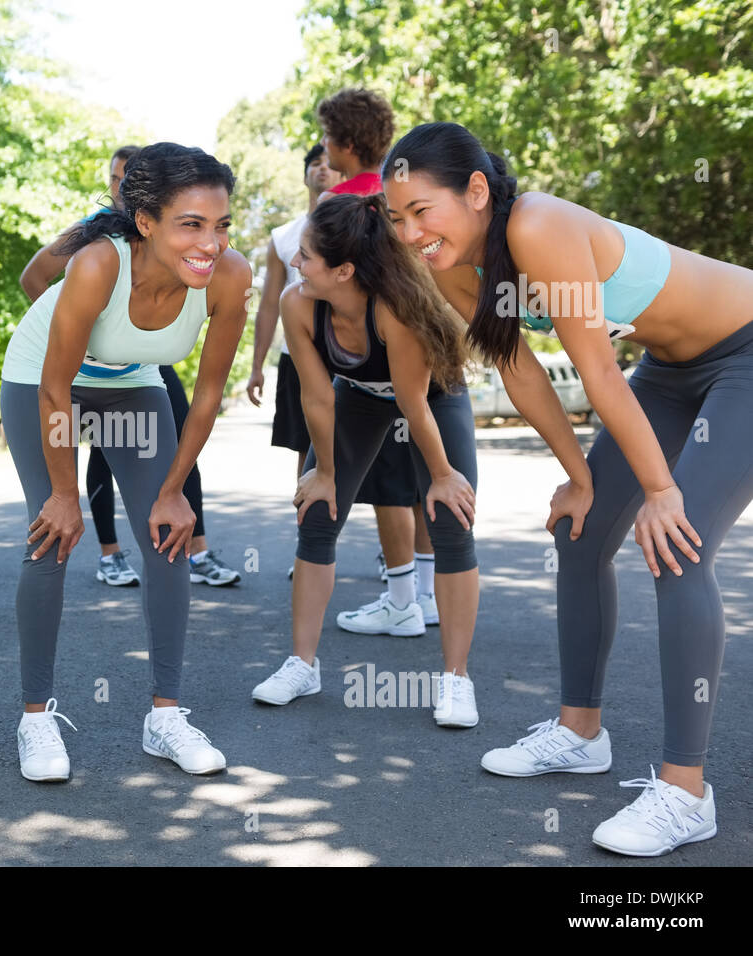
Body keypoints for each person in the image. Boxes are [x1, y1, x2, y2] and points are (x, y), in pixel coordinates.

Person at [383, 120, 753, 856]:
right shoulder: (451, 262)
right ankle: (581, 732)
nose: (410, 231)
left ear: (478, 191)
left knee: (675, 544)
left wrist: (661, 490)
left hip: (743, 351)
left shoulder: (541, 225)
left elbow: (599, 374)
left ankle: (685, 793)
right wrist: (580, 480)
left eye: (423, 210)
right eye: (396, 218)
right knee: (577, 532)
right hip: (669, 373)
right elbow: (518, 369)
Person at [1, 143, 251, 782]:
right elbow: (57, 388)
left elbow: (209, 394)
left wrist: (173, 491)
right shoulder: (95, 266)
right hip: (41, 379)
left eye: (221, 224)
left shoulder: (228, 276)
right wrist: (64, 494)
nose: (211, 242)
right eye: (190, 224)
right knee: (49, 536)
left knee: (169, 534)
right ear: (146, 222)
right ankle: (35, 719)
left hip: (127, 382)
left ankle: (165, 716)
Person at [250, 193, 481, 731]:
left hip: (433, 398)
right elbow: (317, 396)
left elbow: (413, 403)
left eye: (306, 255)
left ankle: (456, 678)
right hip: (355, 394)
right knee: (317, 513)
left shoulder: (396, 312)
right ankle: (302, 666)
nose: (295, 263)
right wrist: (325, 473)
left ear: (345, 269)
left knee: (450, 520)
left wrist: (444, 477)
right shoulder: (298, 302)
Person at [21, 147, 241, 589]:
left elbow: (209, 395)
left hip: (143, 362)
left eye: (128, 177)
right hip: (74, 373)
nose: (120, 187)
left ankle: (197, 547)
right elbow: (34, 278)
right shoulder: (92, 241)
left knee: (176, 441)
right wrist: (73, 332)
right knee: (99, 454)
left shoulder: (208, 258)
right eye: (115, 178)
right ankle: (110, 554)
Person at [318, 87, 439, 635]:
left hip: (367, 359)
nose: (323, 148)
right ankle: (430, 595)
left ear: (344, 142)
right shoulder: (403, 193)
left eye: (326, 138)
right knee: (424, 477)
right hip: (425, 343)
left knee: (388, 482)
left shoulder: (337, 202)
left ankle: (401, 600)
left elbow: (316, 269)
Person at [246, 142, 341, 478]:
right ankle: (312, 529)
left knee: (374, 458)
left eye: (330, 163)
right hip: (298, 356)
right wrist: (257, 366)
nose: (322, 168)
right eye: (314, 163)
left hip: (351, 355)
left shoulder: (360, 227)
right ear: (305, 176)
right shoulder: (283, 236)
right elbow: (270, 303)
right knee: (307, 450)